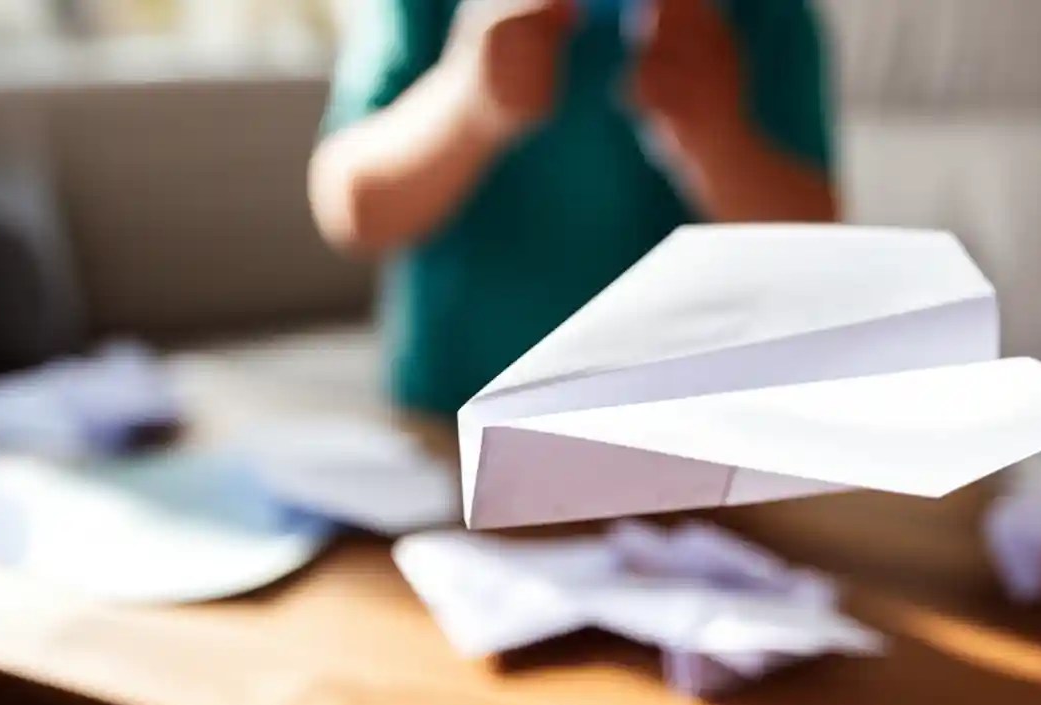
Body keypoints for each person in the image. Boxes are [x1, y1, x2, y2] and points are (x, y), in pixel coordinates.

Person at [309, 0, 838, 416]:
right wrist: (467, 105)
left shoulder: (763, 12)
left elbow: (821, 251)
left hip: (679, 445)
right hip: (449, 435)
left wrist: (717, 142)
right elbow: (349, 207)